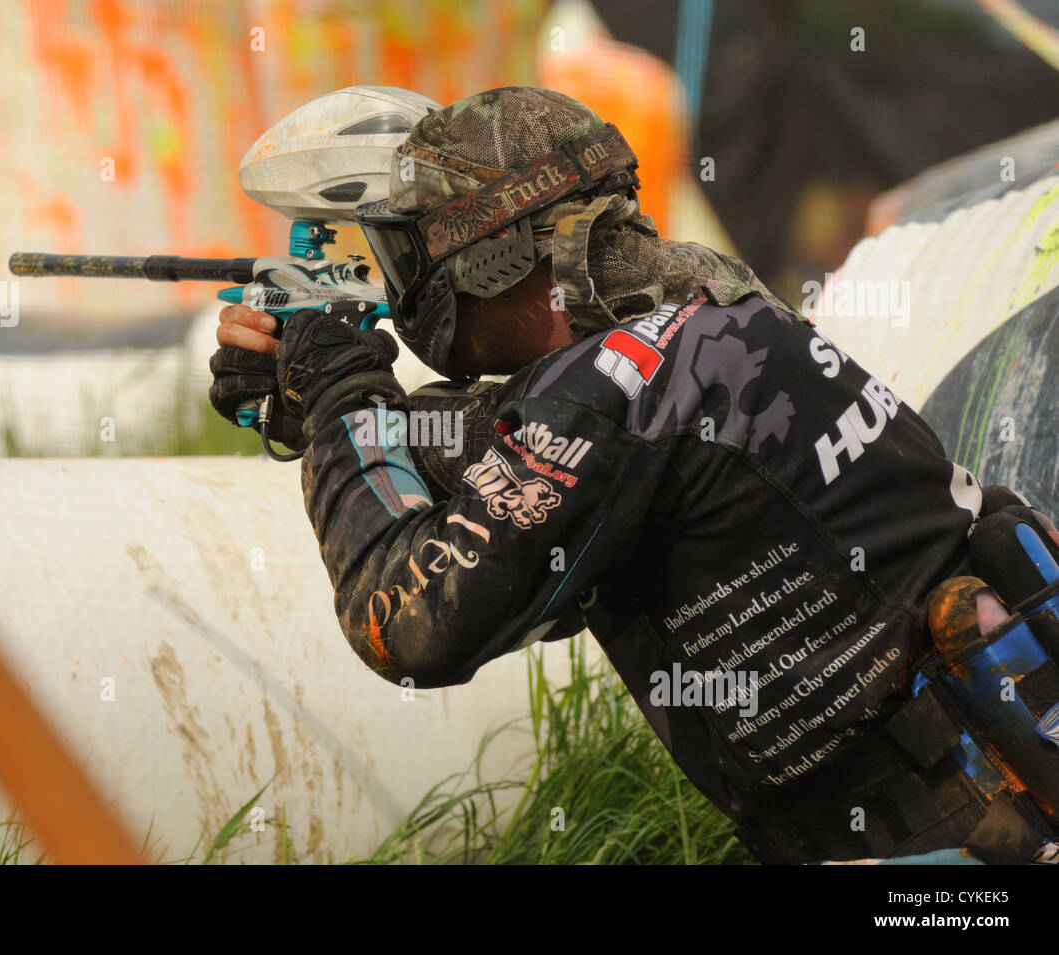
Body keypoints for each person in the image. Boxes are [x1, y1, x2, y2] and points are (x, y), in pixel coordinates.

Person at [209, 87, 1059, 864]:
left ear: (498, 261)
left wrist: (341, 407)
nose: (403, 295)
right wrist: (329, 411)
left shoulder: (608, 397)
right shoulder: (713, 318)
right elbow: (511, 459)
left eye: (408, 260)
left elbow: (407, 625)